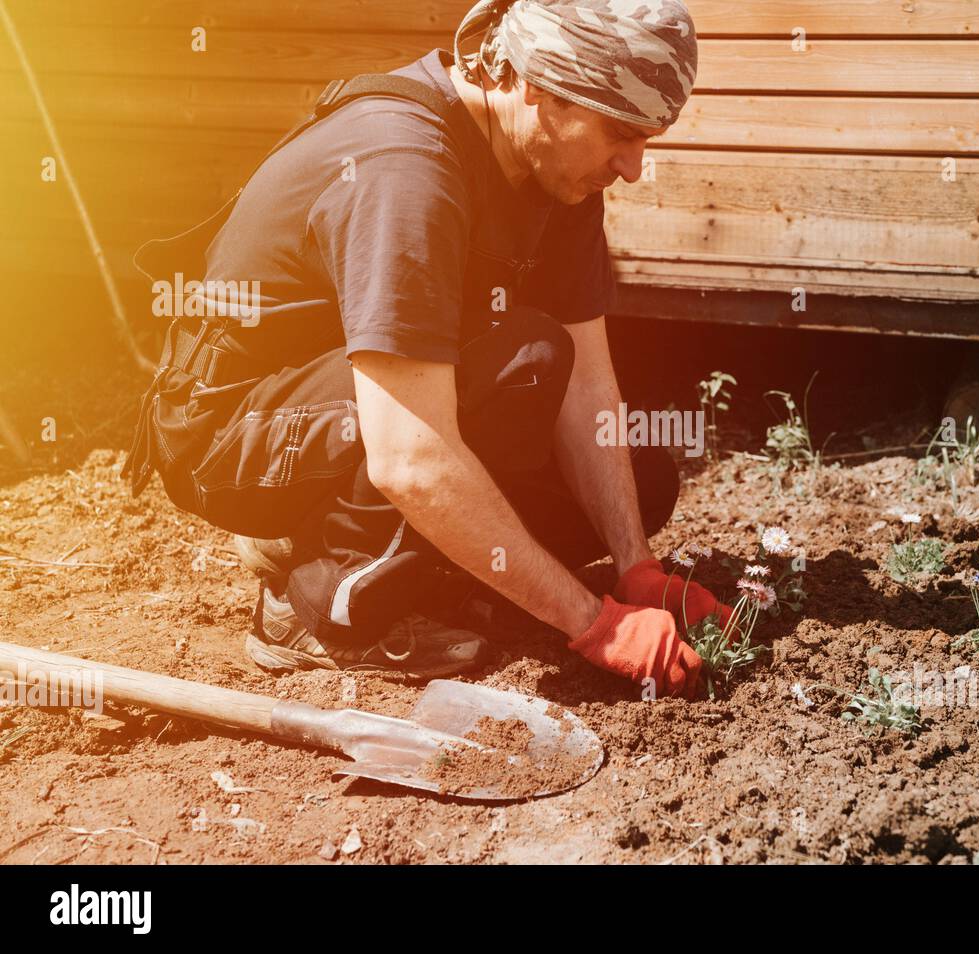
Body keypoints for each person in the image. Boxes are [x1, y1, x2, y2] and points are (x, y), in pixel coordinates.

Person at [120, 0, 730, 698]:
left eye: (646, 139)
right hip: (229, 432)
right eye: (621, 133)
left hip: (363, 403)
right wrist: (595, 623)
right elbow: (409, 456)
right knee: (520, 361)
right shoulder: (404, 167)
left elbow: (588, 381)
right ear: (537, 87)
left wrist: (634, 567)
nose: (631, 167)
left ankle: (373, 553)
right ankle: (316, 606)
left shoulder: (555, 173)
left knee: (640, 484)